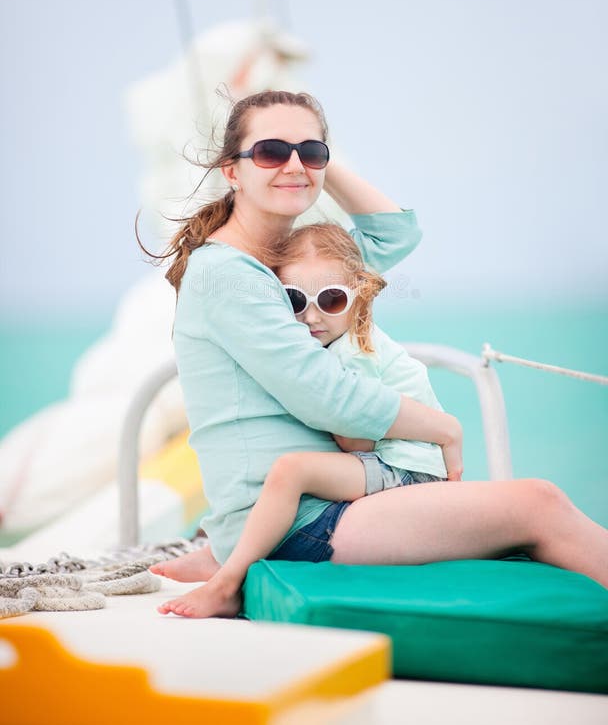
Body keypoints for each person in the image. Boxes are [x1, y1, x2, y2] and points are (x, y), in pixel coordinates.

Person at [146, 89, 608, 618]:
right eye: (271, 151)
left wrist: (307, 166)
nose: (294, 164)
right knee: (538, 505)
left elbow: (395, 233)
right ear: (232, 171)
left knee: (530, 510)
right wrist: (444, 429)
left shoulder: (285, 258)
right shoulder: (227, 274)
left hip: (332, 497)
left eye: (311, 152)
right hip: (295, 521)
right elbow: (327, 399)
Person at [156, 221, 451, 617]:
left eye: (331, 300)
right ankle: (222, 551)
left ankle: (228, 578)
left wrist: (314, 402)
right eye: (294, 301)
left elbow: (356, 440)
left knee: (291, 472)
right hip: (394, 463)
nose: (312, 316)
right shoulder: (336, 343)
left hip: (408, 469)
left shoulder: (351, 353)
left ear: (358, 297)